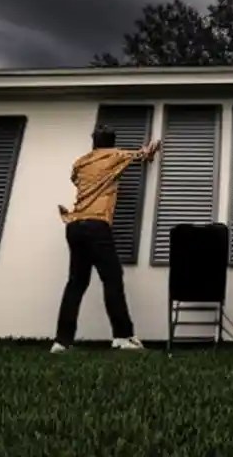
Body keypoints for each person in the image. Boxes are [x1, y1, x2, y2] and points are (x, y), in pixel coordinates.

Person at [50, 125, 161, 353]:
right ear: (111, 142)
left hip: (74, 226)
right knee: (112, 278)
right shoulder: (115, 155)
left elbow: (75, 179)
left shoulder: (80, 163)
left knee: (76, 283)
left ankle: (62, 341)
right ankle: (122, 336)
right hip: (96, 225)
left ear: (94, 142)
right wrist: (151, 150)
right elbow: (142, 154)